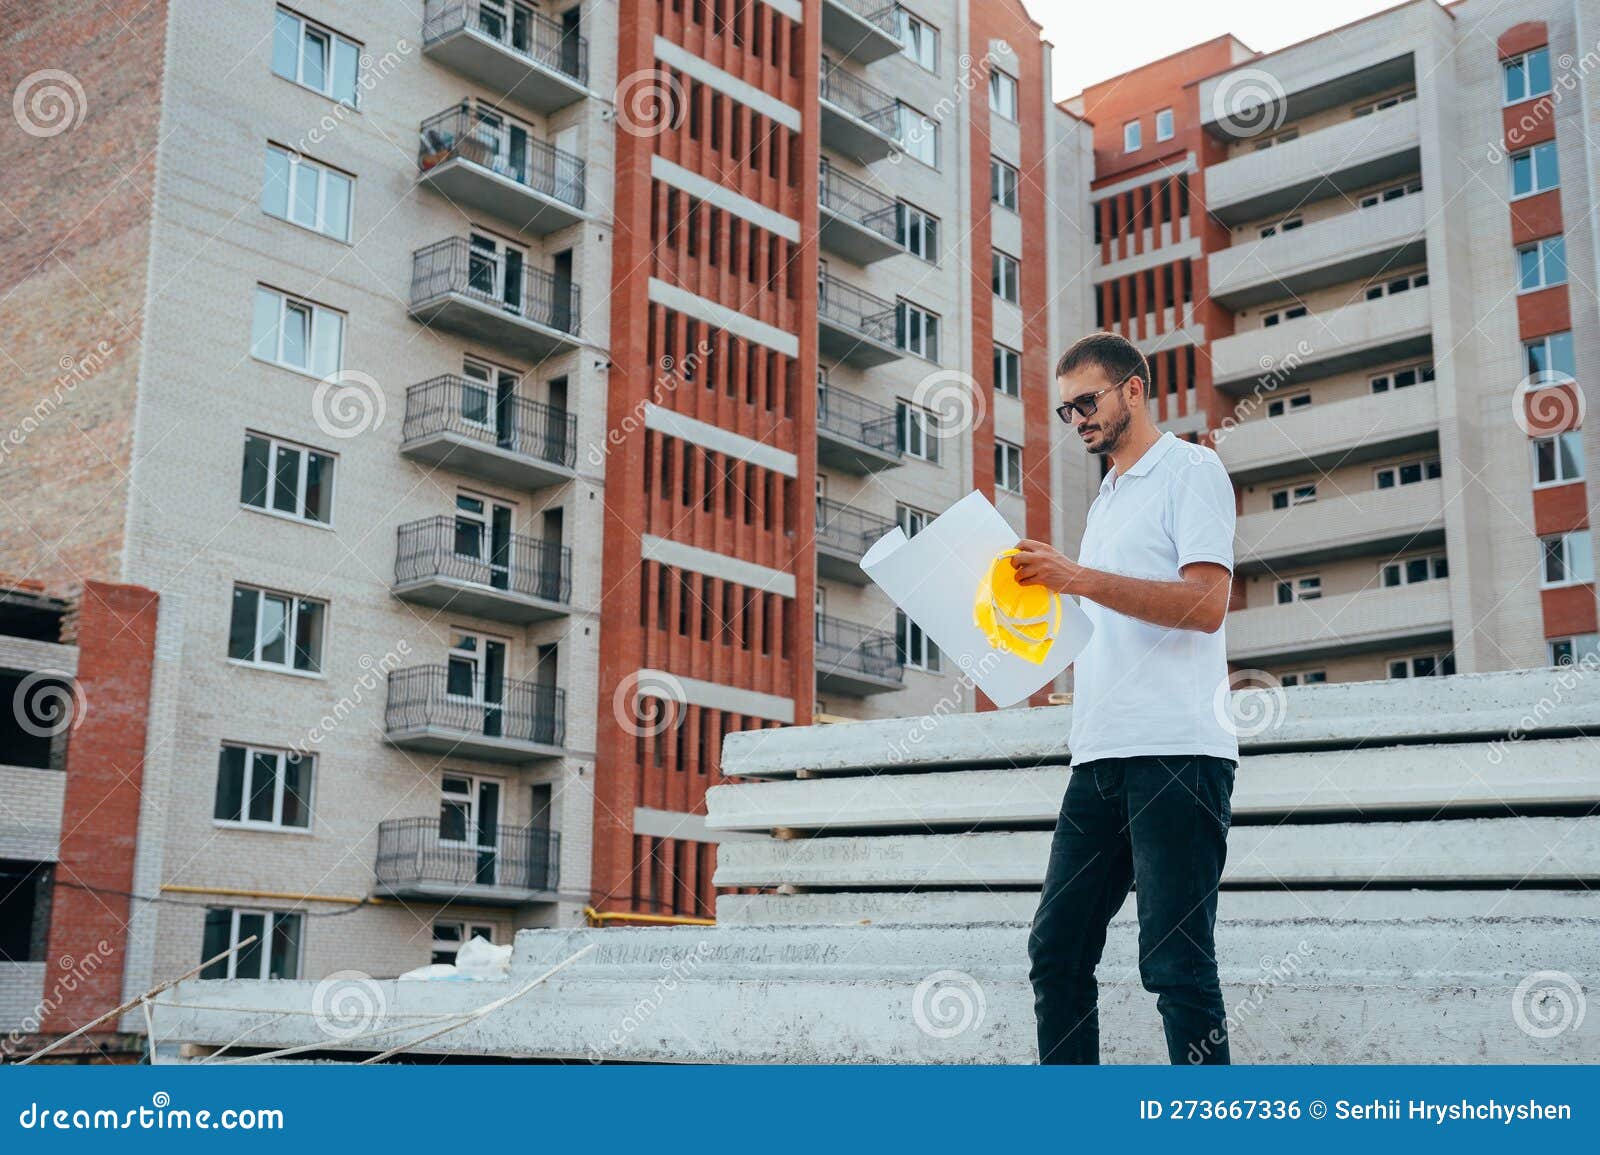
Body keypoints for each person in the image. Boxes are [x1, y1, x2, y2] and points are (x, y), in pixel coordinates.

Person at [1010, 331, 1238, 1065]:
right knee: (1057, 948)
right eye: (1066, 407)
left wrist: (1075, 577)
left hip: (1177, 752)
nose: (1076, 417)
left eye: (1088, 400)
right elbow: (1108, 620)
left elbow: (1206, 604)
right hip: (1098, 755)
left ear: (1134, 389)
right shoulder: (1106, 497)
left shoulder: (1191, 470)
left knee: (1175, 964)